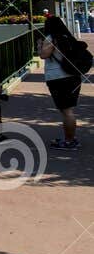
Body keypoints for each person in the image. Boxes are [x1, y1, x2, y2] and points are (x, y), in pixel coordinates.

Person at [39, 14, 91, 151]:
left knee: (67, 111)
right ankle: (70, 139)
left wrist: (40, 46)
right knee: (69, 109)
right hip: (73, 77)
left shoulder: (51, 39)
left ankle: (69, 141)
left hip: (57, 78)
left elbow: (43, 55)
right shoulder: (68, 38)